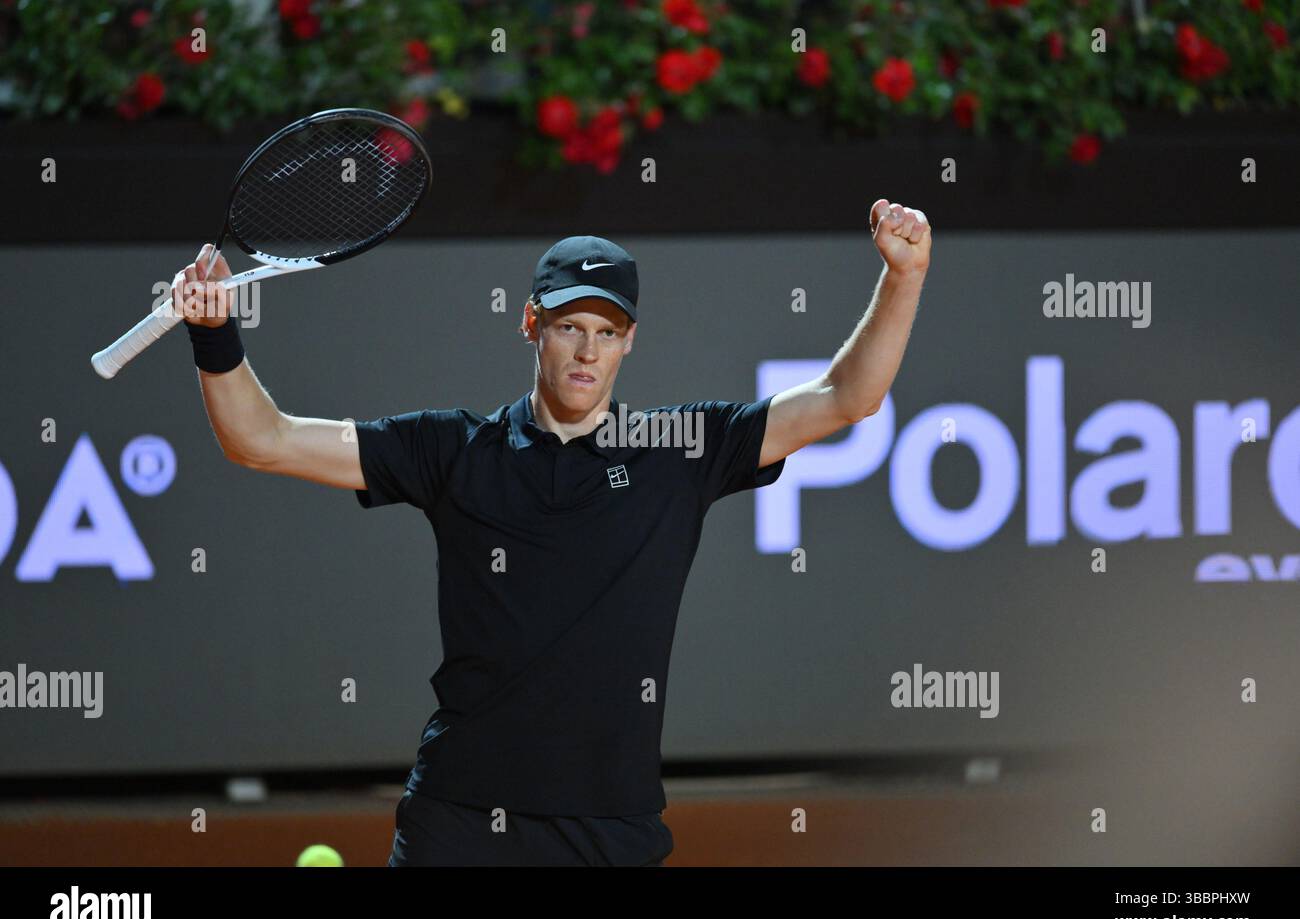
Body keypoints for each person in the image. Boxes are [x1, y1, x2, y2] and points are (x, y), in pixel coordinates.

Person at [174, 200, 931, 865]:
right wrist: (214, 334)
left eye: (608, 331)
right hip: (460, 820)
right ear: (531, 322)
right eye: (570, 326)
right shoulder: (452, 450)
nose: (588, 352)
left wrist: (904, 275)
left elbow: (847, 396)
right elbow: (262, 440)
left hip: (610, 828)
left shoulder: (680, 451)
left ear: (630, 340)